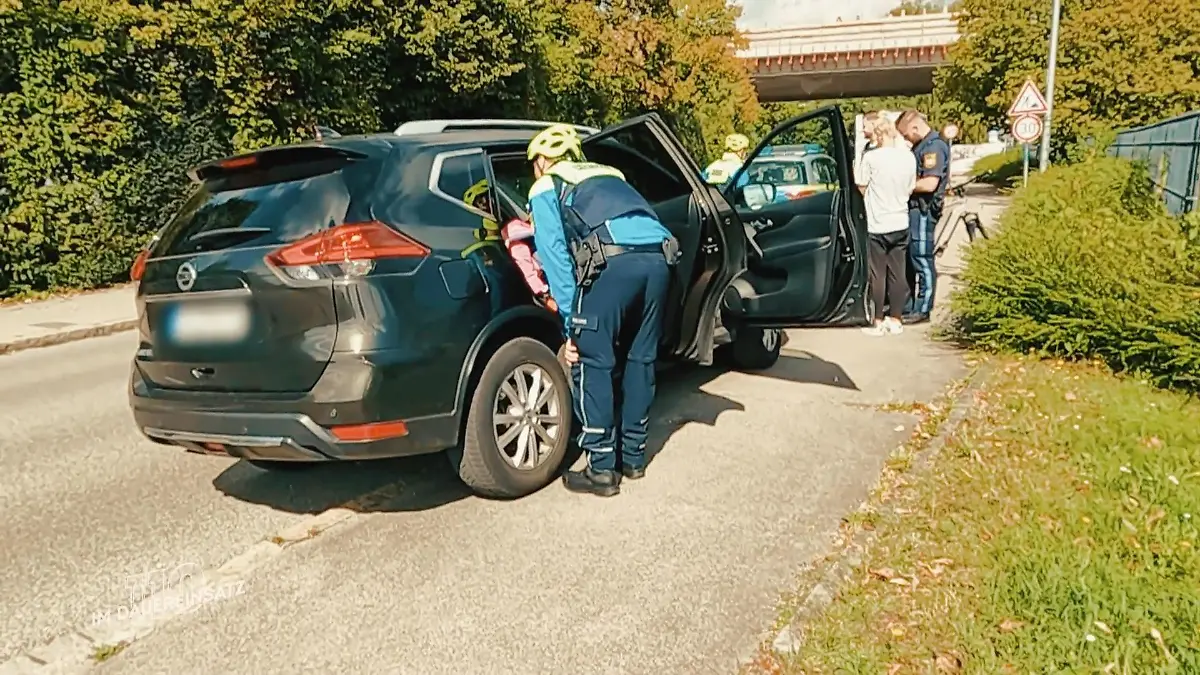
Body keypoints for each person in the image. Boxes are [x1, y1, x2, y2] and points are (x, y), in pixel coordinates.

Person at [526, 124, 676, 497]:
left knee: (591, 361)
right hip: (659, 261)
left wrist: (571, 326)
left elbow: (554, 256)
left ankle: (602, 470)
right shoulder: (611, 174)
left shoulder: (546, 185)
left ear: (542, 160)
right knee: (640, 358)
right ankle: (634, 458)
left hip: (612, 265)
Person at [855, 115, 916, 337]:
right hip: (900, 221)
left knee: (877, 274)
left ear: (878, 136)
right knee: (898, 273)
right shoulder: (908, 157)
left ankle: (878, 321)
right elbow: (910, 187)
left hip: (877, 223)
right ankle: (896, 319)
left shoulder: (872, 158)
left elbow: (861, 185)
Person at [895, 109, 950, 325]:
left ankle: (924, 308)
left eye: (906, 134)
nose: (906, 139)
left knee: (922, 258)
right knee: (910, 259)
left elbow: (929, 183)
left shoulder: (933, 147)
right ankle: (910, 306)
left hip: (924, 210)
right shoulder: (921, 146)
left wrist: (902, 185)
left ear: (915, 127)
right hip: (914, 209)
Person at [500, 217, 557, 313]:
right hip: (546, 286)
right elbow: (529, 275)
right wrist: (545, 295)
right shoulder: (517, 247)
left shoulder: (520, 240)